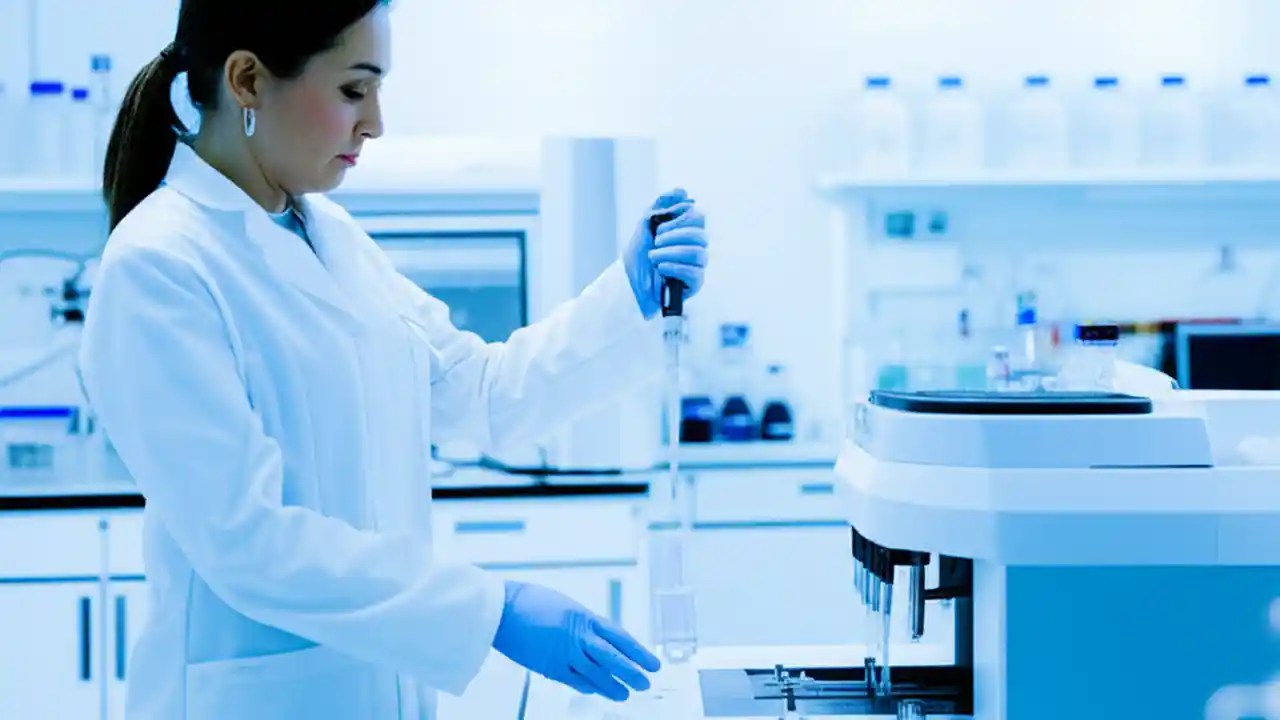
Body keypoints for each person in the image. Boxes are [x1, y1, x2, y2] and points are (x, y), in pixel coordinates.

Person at [76, 2, 710, 719]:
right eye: (354, 89)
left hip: (377, 690)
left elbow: (478, 392)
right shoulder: (160, 266)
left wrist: (625, 299)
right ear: (248, 80)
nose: (374, 122)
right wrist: (490, 611)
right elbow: (248, 542)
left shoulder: (331, 237)